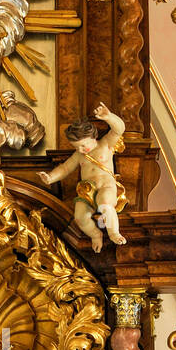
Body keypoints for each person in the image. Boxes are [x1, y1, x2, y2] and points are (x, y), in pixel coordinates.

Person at [39, 103, 126, 250]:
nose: (80, 149)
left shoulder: (105, 145)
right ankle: (95, 235)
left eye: (83, 145)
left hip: (106, 186)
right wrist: (50, 177)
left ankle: (114, 233)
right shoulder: (79, 155)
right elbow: (65, 168)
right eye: (76, 147)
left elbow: (119, 129)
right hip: (87, 191)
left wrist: (109, 117)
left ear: (93, 137)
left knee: (105, 203)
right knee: (80, 217)